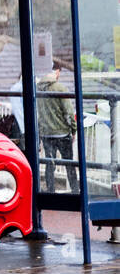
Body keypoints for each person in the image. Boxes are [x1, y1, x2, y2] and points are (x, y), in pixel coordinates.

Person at [37, 60, 78, 195]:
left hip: (46, 133)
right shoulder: (60, 88)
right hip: (62, 133)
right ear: (57, 71)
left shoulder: (38, 88)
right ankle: (75, 191)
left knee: (50, 164)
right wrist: (73, 130)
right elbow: (68, 112)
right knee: (69, 164)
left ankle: (50, 192)